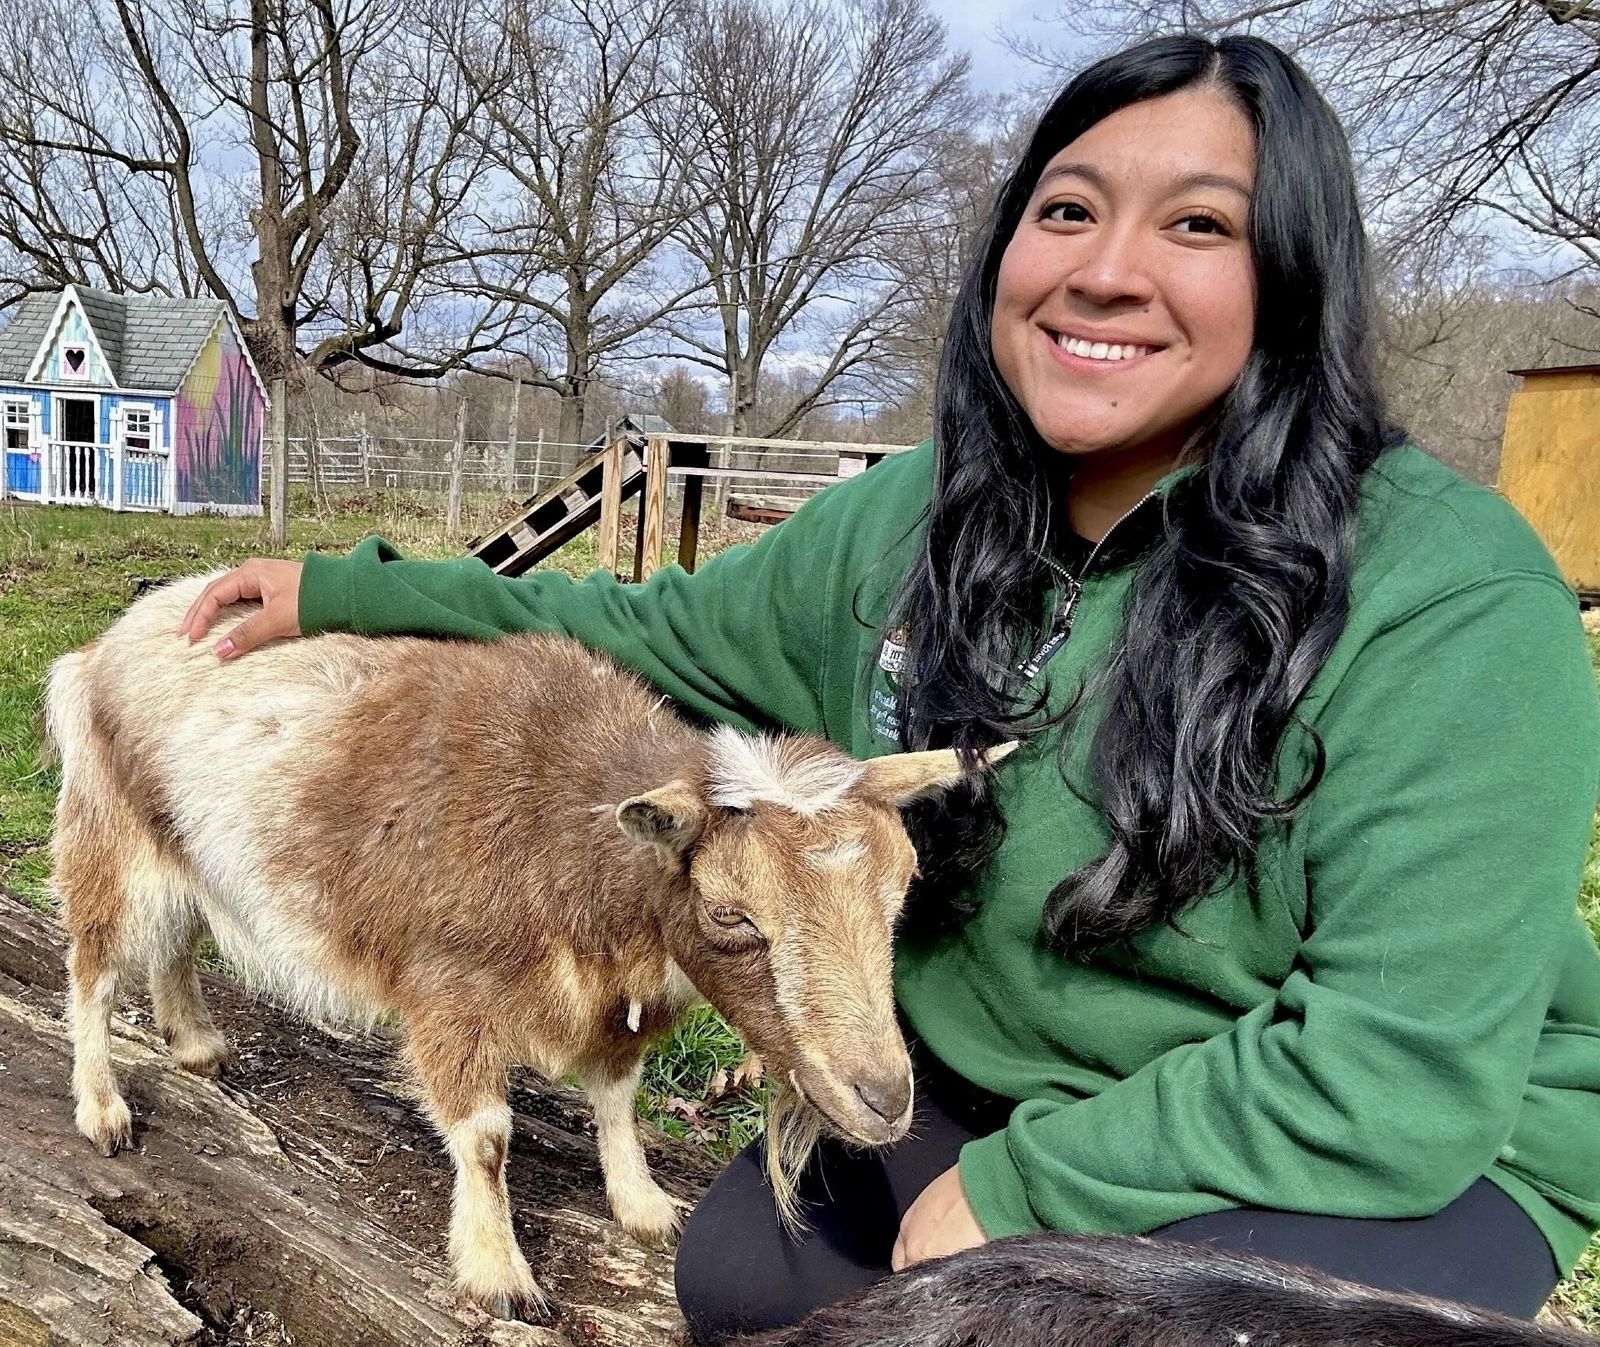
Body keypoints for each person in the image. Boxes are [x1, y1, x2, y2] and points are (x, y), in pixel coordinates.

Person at [178, 33, 1600, 1345]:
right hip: (1021, 1075)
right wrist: (351, 591)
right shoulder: (922, 520)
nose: (1104, 270)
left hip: (1389, 1147)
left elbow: (1397, 1073)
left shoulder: (1446, 597)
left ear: (1295, 278)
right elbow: (650, 627)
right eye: (1065, 210)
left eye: (1200, 226)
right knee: (742, 1282)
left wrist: (1025, 1199)